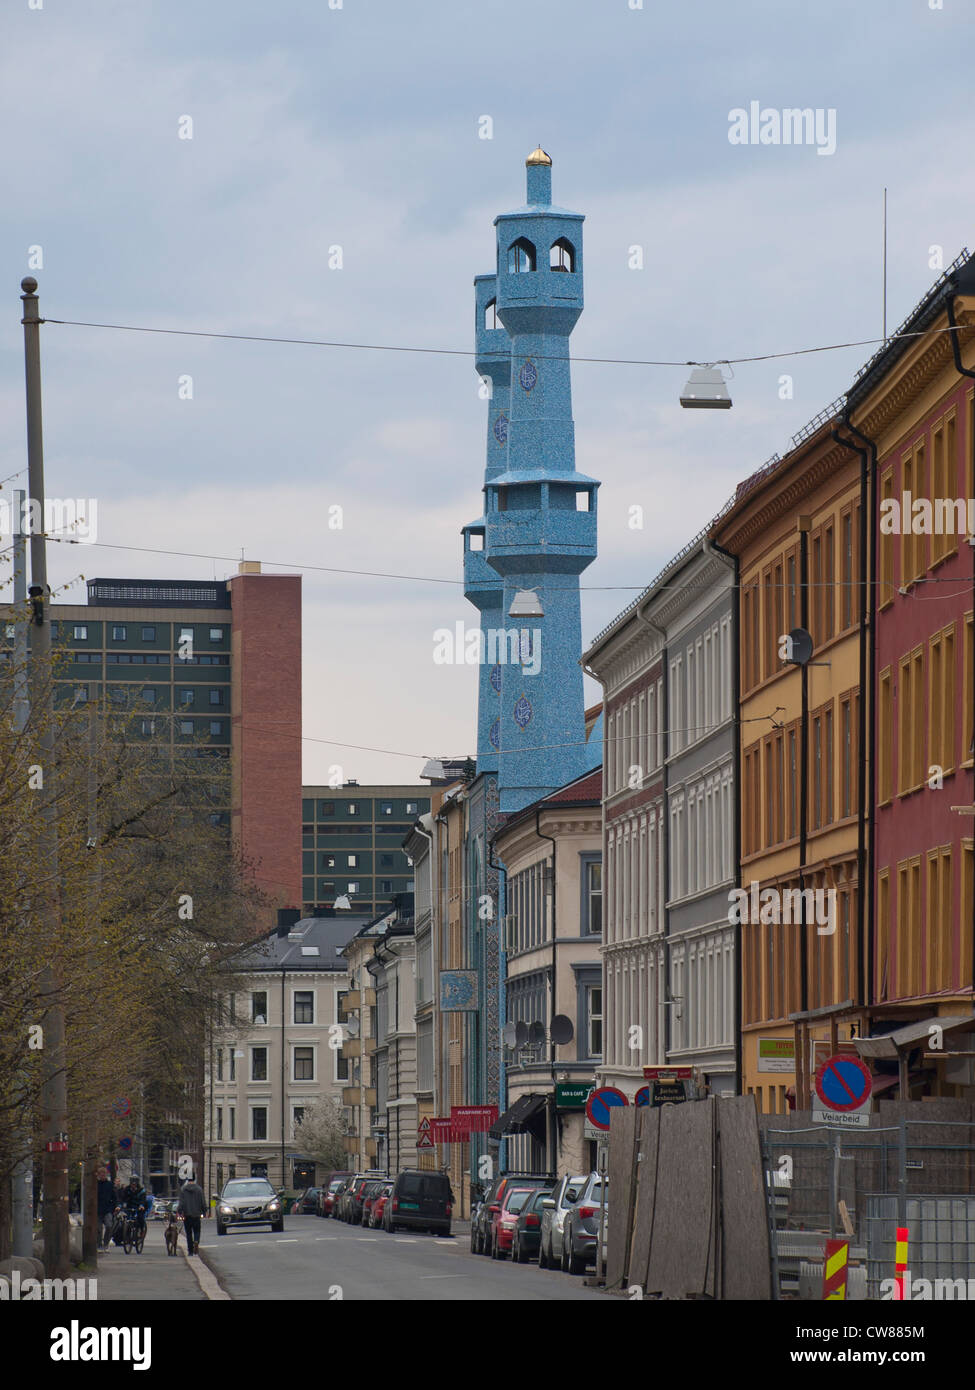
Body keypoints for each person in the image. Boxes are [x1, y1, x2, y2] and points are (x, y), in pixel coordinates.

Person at [175, 1173, 207, 1255]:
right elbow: (203, 1202)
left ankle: (190, 1251)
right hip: (196, 1214)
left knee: (188, 1233)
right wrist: (204, 1211)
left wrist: (179, 1211)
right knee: (197, 1231)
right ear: (194, 1178)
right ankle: (196, 1241)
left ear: (187, 1179)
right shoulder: (199, 1189)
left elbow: (181, 1203)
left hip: (187, 1215)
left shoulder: (183, 1189)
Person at [119, 1174, 149, 1240]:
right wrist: (120, 1205)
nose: (133, 1185)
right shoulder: (127, 1189)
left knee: (140, 1218)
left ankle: (141, 1230)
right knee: (125, 1219)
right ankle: (126, 1234)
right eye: (132, 1183)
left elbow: (143, 1200)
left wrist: (141, 1205)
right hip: (130, 1207)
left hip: (139, 1207)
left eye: (135, 1183)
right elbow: (123, 1198)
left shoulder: (141, 1190)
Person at [96, 1166, 117, 1249]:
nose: (102, 1176)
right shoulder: (96, 1185)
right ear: (98, 1175)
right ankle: (99, 1244)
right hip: (97, 1209)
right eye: (101, 1174)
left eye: (104, 1174)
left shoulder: (110, 1185)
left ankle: (105, 1243)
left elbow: (114, 1197)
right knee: (98, 1229)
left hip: (107, 1209)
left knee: (109, 1226)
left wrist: (114, 1207)